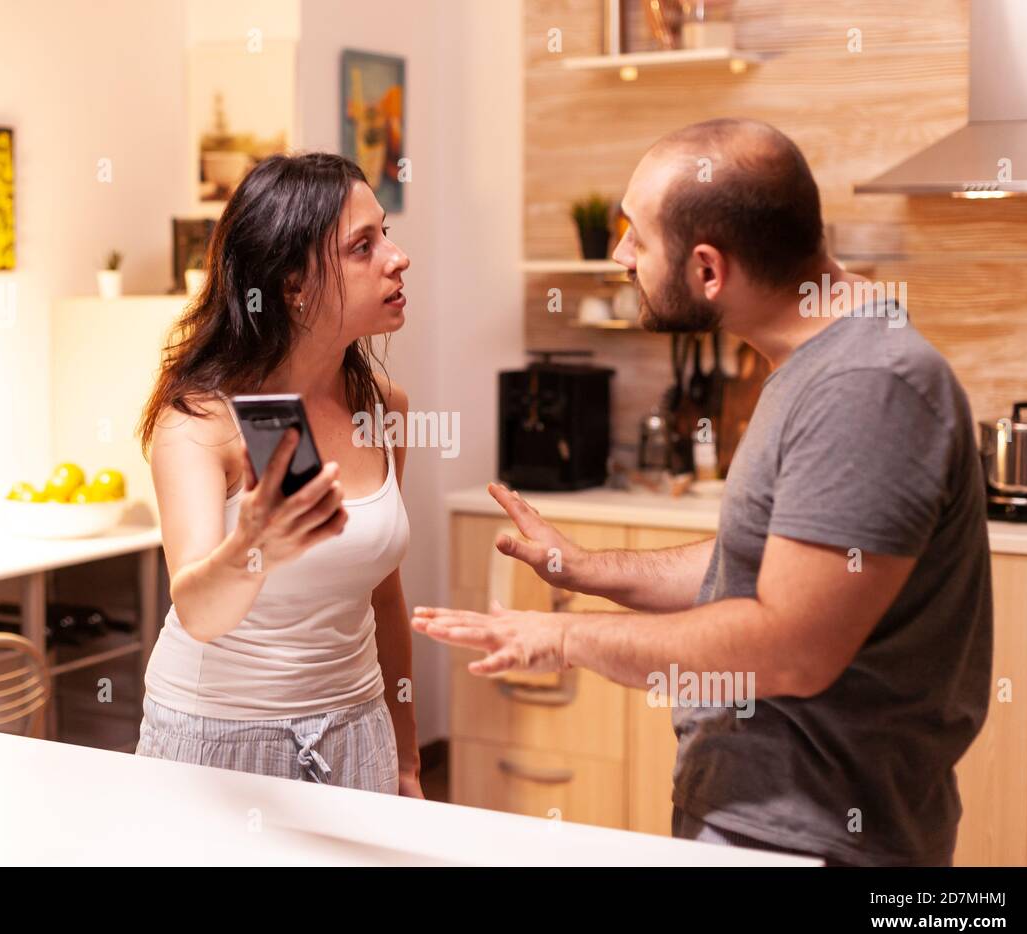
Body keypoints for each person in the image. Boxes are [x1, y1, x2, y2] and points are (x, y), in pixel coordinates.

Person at [414, 118, 992, 864]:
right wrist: (587, 569)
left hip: (812, 837)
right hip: (761, 819)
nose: (620, 255)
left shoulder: (865, 386)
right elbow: (758, 570)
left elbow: (789, 646)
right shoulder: (820, 366)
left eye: (638, 237)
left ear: (709, 271)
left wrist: (564, 637)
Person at [135, 151, 422, 797]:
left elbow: (384, 595)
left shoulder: (383, 406)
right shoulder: (201, 422)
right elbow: (198, 609)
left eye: (386, 234)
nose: (397, 257)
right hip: (217, 744)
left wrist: (406, 756)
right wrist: (255, 547)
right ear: (291, 285)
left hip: (358, 729)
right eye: (363, 245)